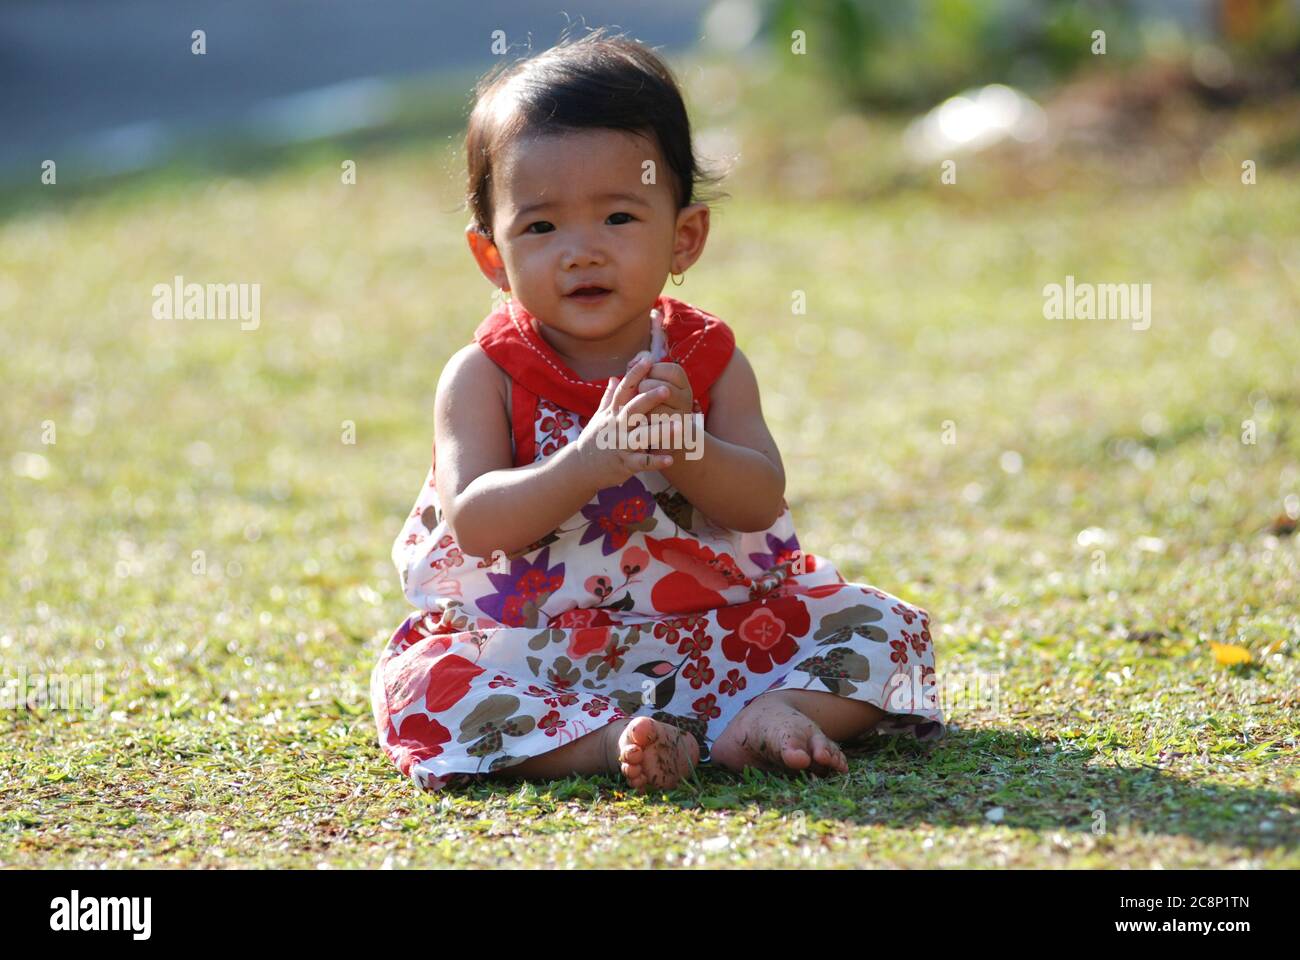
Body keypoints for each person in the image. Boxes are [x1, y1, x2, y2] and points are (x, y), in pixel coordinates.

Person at [371, 28, 945, 795]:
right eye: (541, 225)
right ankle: (609, 743)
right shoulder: (485, 376)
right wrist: (589, 459)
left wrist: (684, 446)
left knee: (884, 632)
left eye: (618, 218)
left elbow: (758, 499)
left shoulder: (707, 363)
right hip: (534, 653)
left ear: (685, 236)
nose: (581, 250)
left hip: (722, 639)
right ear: (490, 255)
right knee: (425, 689)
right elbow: (476, 522)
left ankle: (768, 715)